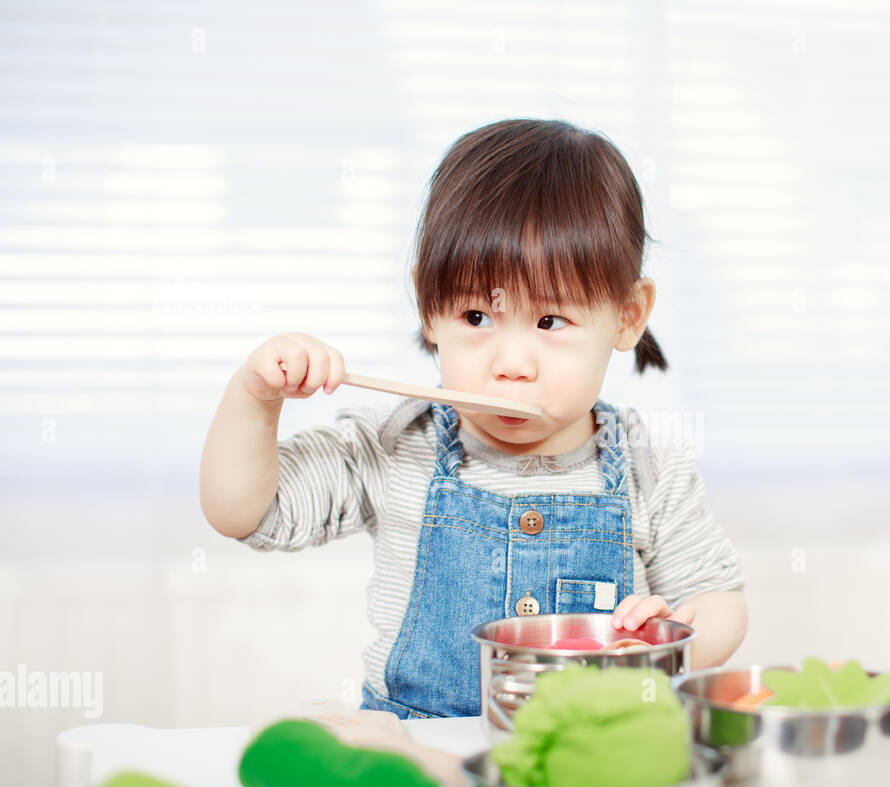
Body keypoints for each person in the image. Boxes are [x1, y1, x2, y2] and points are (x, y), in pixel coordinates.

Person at [199, 118, 748, 718]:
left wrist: (672, 639)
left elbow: (720, 603)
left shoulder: (649, 466)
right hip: (420, 761)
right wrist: (256, 399)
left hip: (592, 757)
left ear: (627, 315)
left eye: (550, 323)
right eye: (476, 318)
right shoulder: (392, 445)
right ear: (429, 310)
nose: (510, 365)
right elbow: (240, 512)